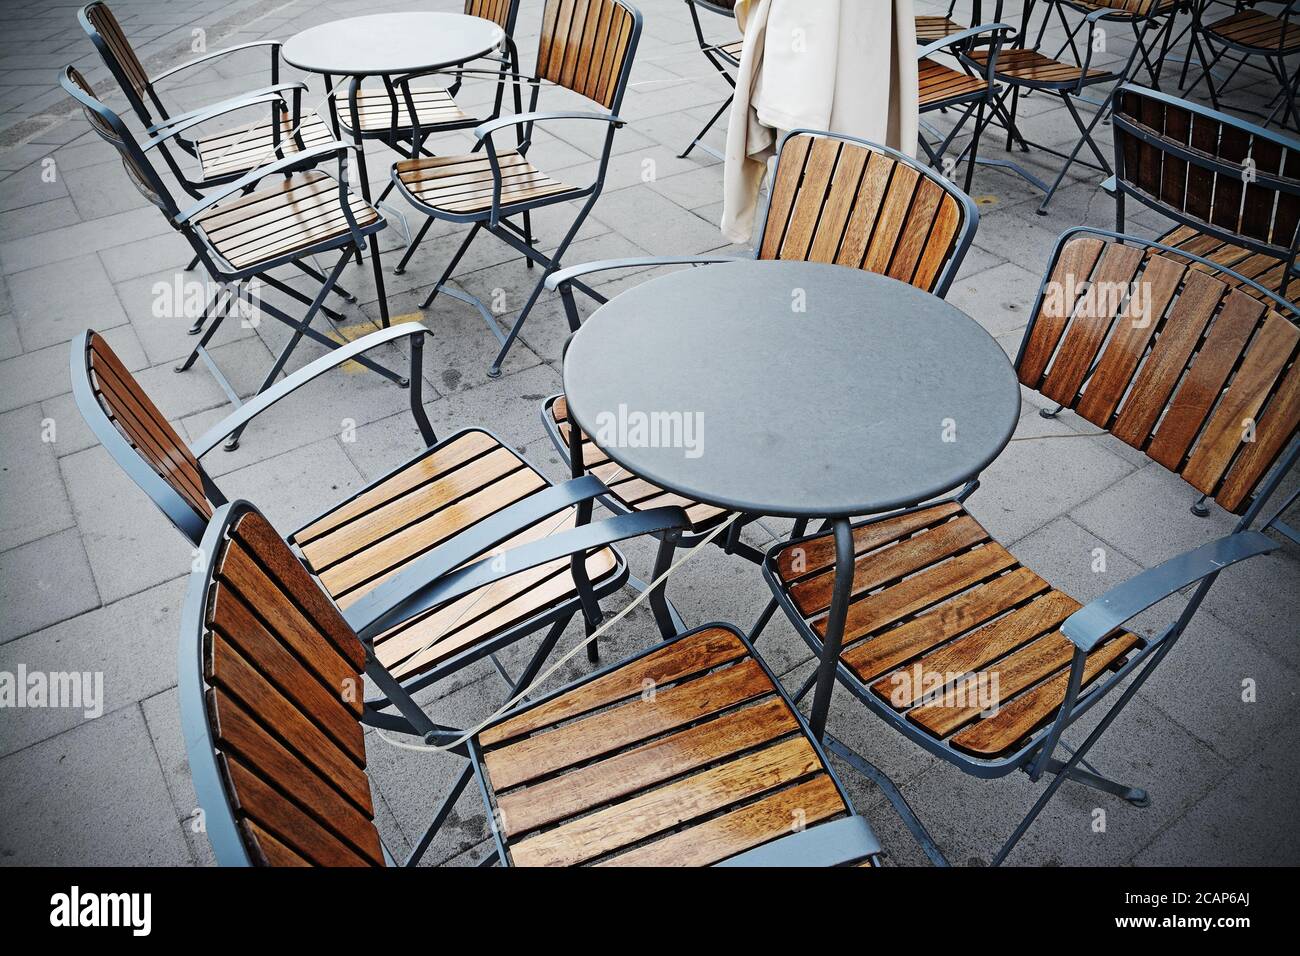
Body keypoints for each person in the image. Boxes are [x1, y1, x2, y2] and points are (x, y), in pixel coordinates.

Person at [721, 0, 919, 243]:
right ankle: (813, 243)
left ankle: (806, 245)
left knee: (807, 152)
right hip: (836, 44)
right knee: (823, 150)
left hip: (817, 42)